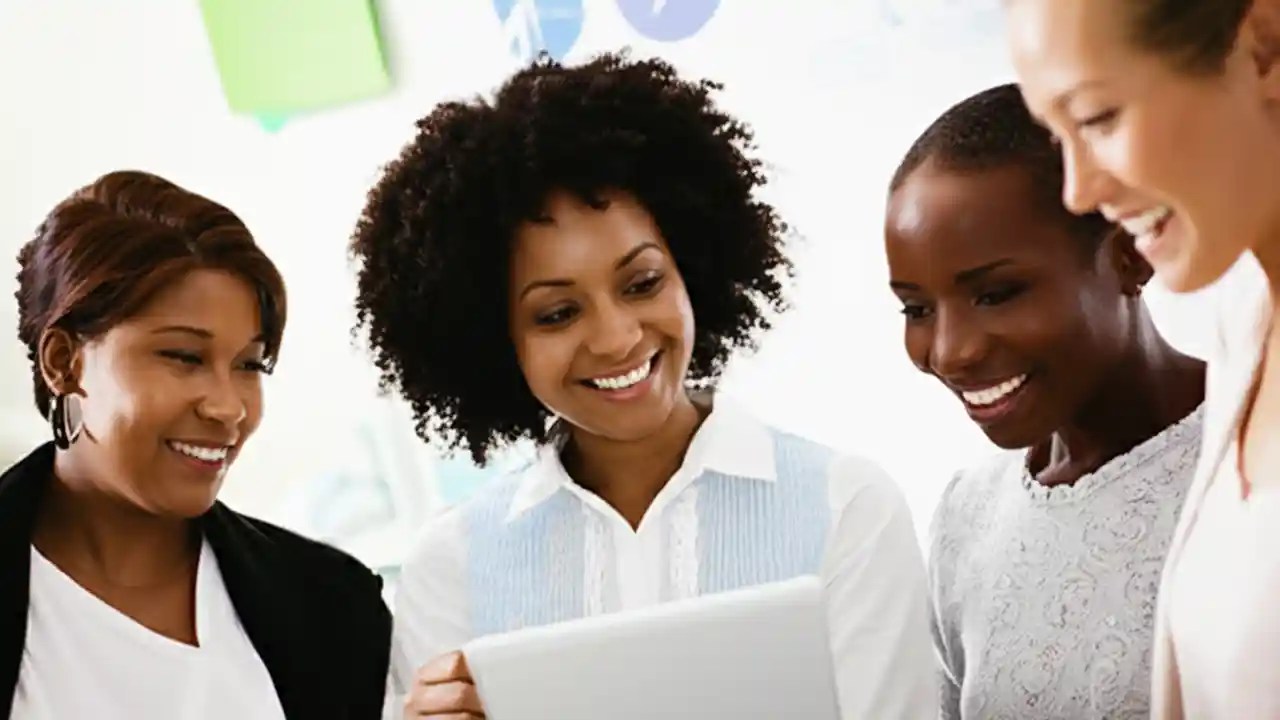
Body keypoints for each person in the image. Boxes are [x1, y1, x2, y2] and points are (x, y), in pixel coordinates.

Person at [351, 51, 934, 719]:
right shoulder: (452, 566)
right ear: (493, 340)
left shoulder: (846, 509)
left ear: (691, 268)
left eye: (642, 283)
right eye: (557, 313)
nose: (616, 337)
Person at [0, 170, 391, 719]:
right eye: (184, 357)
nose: (228, 407)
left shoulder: (335, 607)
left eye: (249, 365)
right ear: (64, 362)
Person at [883, 83, 1206, 719]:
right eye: (917, 309)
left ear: (1129, 256)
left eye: (996, 294)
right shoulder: (967, 516)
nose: (949, 352)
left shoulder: (1251, 459)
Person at [1003, 1, 1280, 716]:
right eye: (1057, 136)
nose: (1077, 190)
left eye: (1097, 118)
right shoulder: (1244, 326)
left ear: (1265, 47)